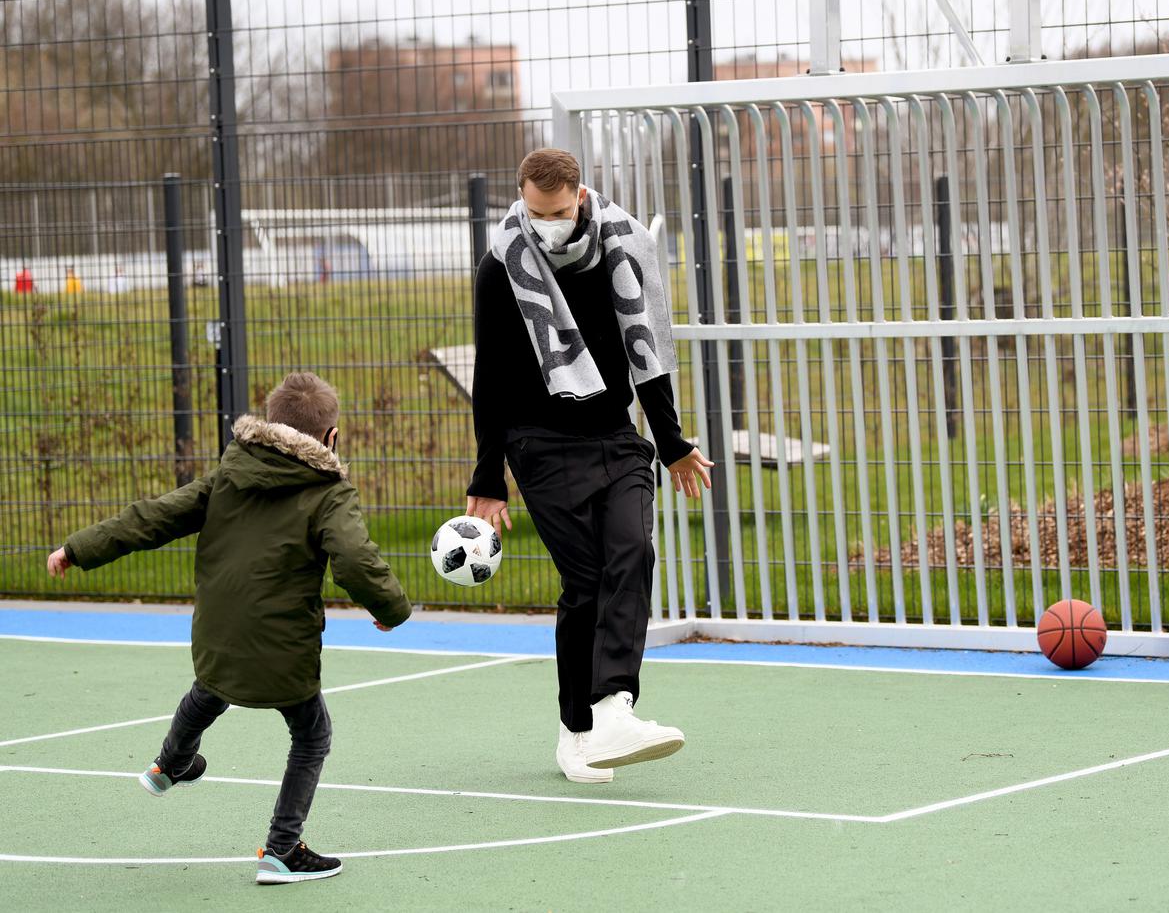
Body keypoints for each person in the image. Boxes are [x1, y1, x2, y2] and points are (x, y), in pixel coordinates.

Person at [47, 372, 411, 885]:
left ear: (267, 426)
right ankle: (282, 850)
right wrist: (392, 608)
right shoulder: (329, 491)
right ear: (331, 439)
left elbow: (153, 517)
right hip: (283, 645)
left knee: (211, 688)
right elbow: (354, 559)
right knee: (311, 734)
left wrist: (77, 548)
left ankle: (170, 765)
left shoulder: (228, 475)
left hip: (215, 632)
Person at [466, 148, 713, 784]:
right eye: (531, 210)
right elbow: (489, 376)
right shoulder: (500, 267)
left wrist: (674, 441)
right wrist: (487, 479)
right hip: (538, 443)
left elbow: (646, 352)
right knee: (586, 582)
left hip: (614, 433)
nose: (542, 223)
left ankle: (612, 709)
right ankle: (576, 732)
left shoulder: (619, 248)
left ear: (578, 198)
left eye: (554, 211)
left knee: (631, 554)